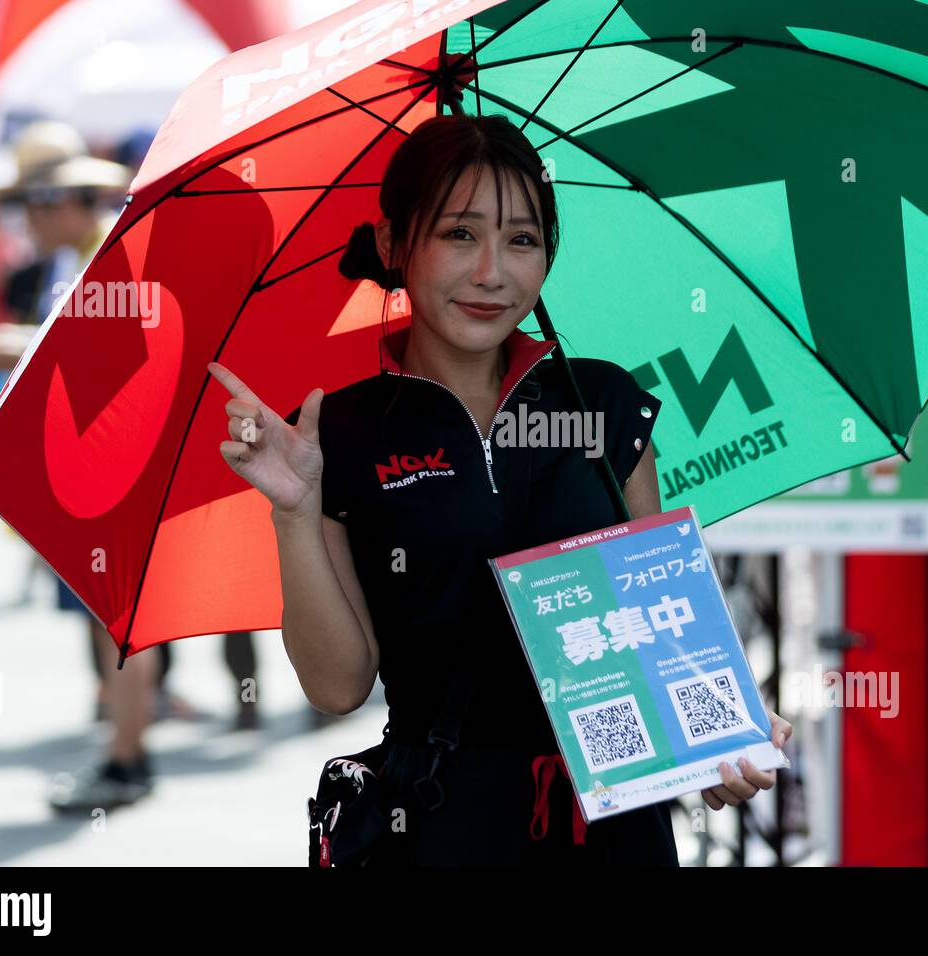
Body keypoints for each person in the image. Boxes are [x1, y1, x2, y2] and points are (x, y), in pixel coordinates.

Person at [208, 113, 791, 865]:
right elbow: (336, 684)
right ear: (393, 245)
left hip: (612, 830)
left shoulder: (604, 406)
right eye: (459, 234)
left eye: (522, 238)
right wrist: (295, 511)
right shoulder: (338, 435)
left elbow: (668, 634)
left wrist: (724, 736)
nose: (493, 271)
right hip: (439, 824)